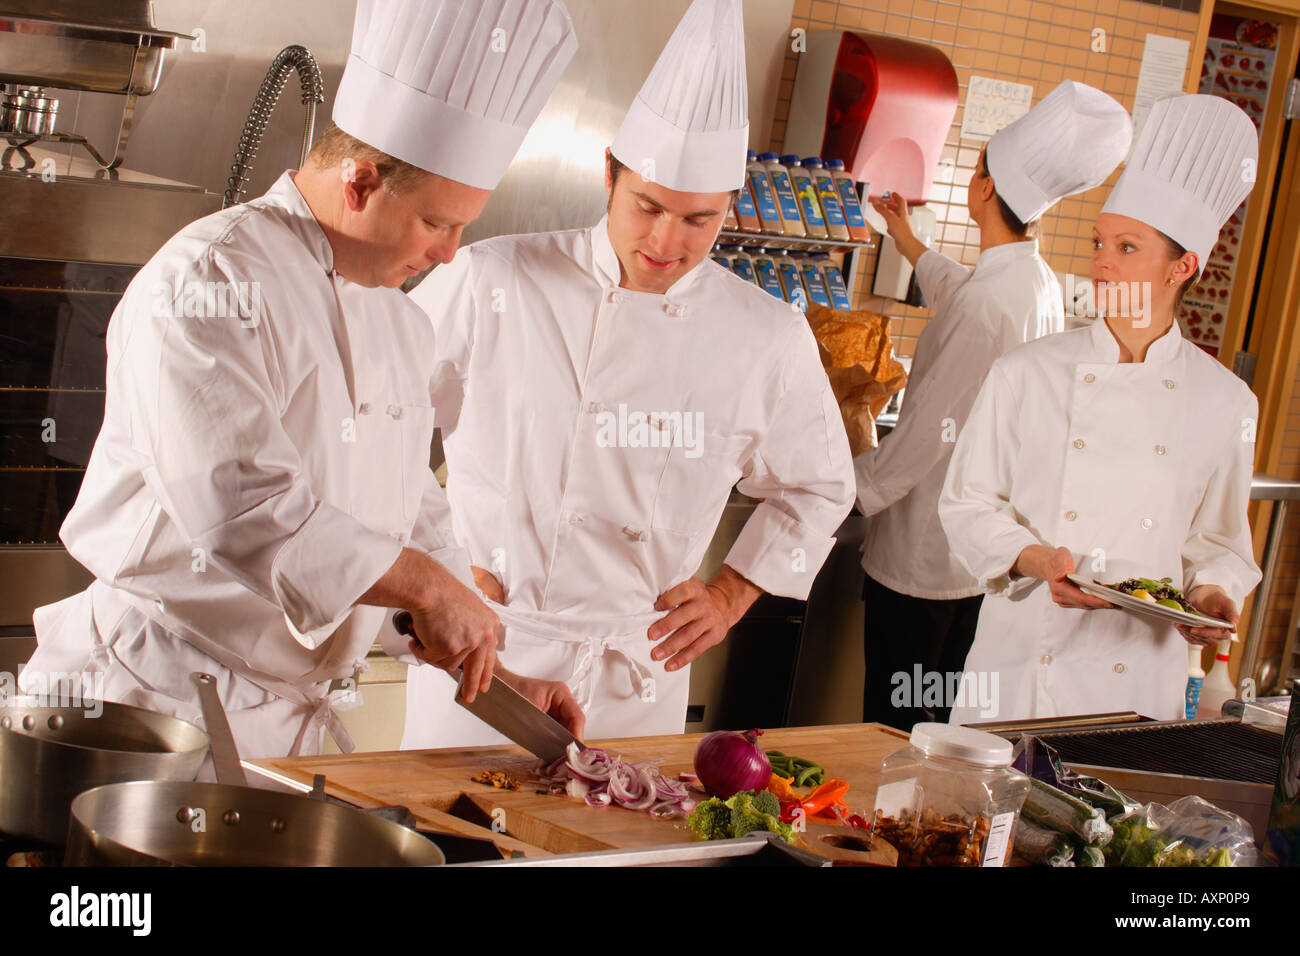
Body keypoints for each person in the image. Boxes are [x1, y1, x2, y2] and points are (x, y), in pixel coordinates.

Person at [18, 0, 584, 764]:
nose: (451, 255)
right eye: (437, 224)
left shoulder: (395, 318)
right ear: (358, 183)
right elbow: (244, 505)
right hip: (155, 705)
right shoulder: (210, 278)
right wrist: (428, 589)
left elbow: (404, 506)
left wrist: (489, 665)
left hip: (289, 726)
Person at [401, 0, 855, 747]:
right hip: (485, 651)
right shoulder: (494, 278)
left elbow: (822, 485)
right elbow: (376, 416)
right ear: (609, 172)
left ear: (728, 209)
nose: (667, 241)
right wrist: (436, 563)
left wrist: (732, 594)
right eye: (648, 206)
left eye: (698, 220)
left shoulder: (765, 334)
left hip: (634, 672)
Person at [939, 93, 1261, 725]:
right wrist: (1039, 562)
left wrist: (1210, 595)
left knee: (1122, 822)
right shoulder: (1026, 373)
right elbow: (967, 505)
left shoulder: (1226, 402)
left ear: (1183, 266)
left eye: (1127, 248)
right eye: (1099, 241)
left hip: (1140, 678)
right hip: (1024, 661)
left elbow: (1218, 540)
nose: (1100, 262)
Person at [854, 81, 1131, 729]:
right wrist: (907, 239)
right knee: (928, 717)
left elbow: (923, 440)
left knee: (891, 727)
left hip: (921, 559)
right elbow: (963, 289)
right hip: (970, 564)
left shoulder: (988, 301)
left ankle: (880, 826)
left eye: (975, 167)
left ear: (982, 189)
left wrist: (842, 488)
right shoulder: (1032, 281)